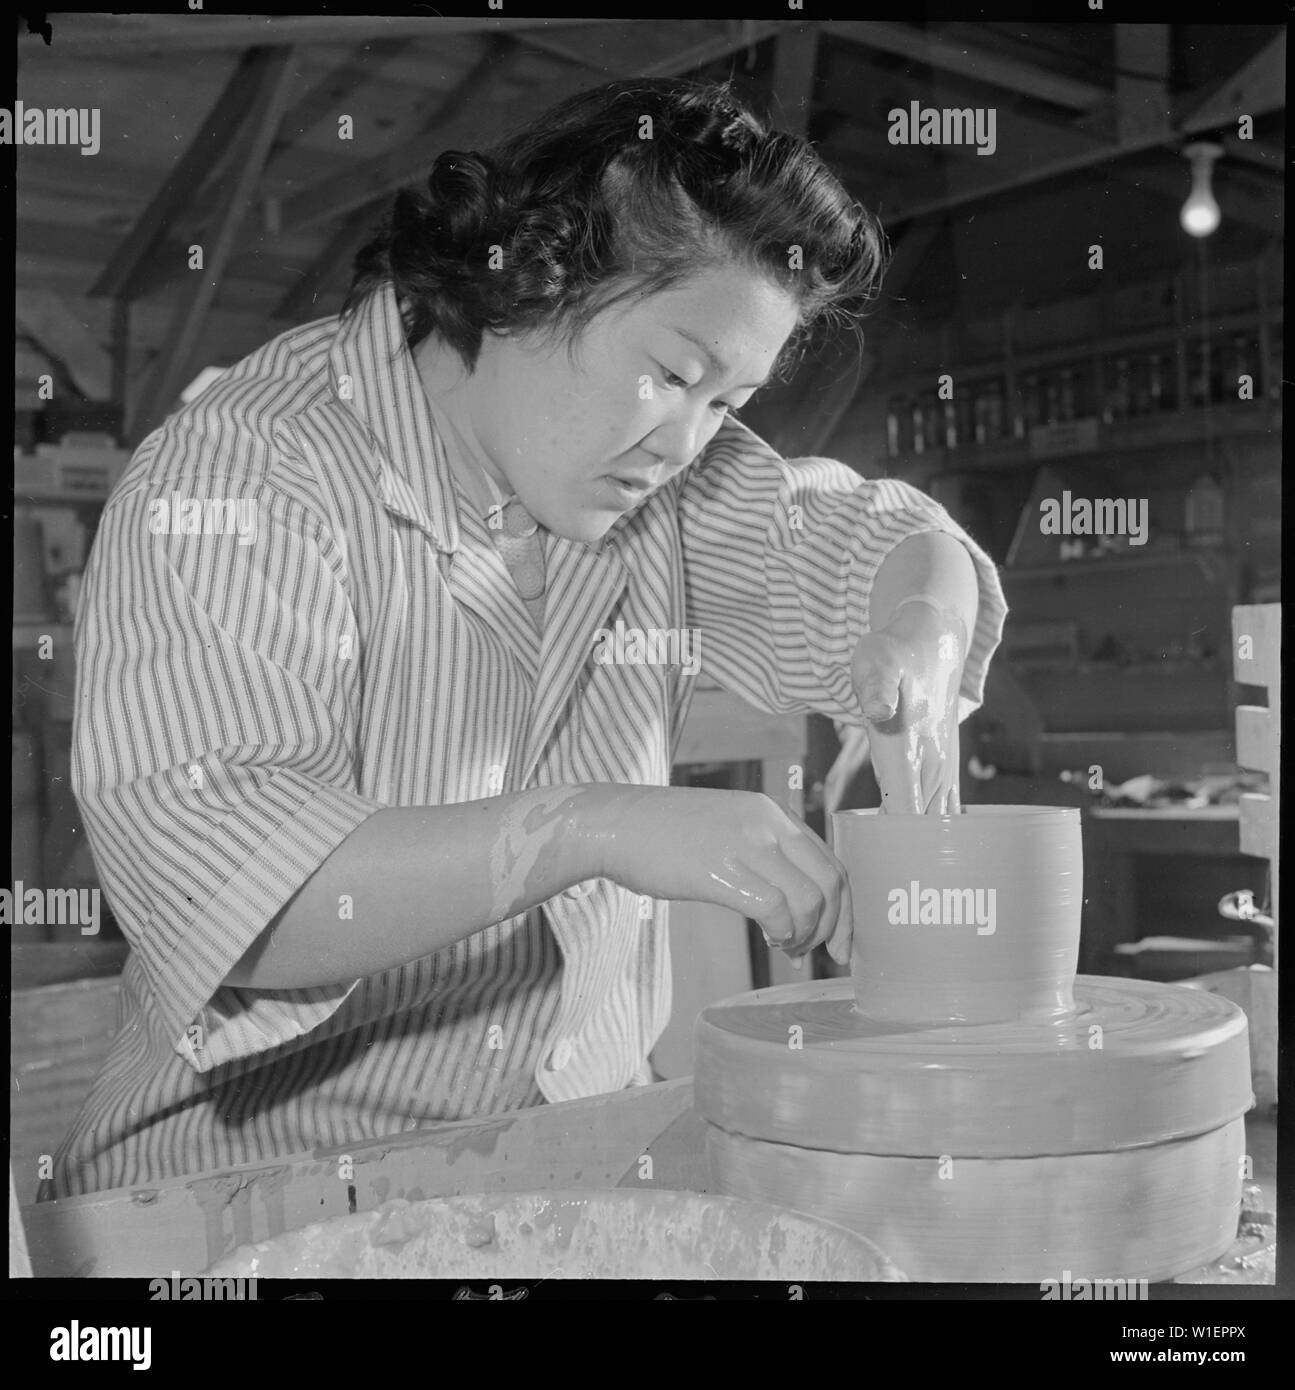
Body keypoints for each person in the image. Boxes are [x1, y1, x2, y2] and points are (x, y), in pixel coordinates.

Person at [43, 77, 1005, 1197]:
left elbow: (888, 541)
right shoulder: (241, 481)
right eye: (672, 373)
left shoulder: (656, 483)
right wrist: (586, 828)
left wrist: (919, 645)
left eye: (725, 404)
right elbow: (237, 899)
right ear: (532, 272)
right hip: (244, 1190)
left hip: (576, 1165)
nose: (684, 443)